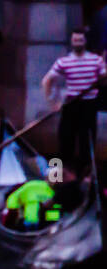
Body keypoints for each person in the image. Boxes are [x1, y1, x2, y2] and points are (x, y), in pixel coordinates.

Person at [42, 29, 107, 178]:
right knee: (64, 142)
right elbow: (47, 81)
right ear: (72, 42)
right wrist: (52, 101)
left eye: (80, 40)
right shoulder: (64, 61)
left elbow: (104, 81)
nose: (78, 43)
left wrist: (104, 72)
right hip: (71, 104)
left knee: (87, 145)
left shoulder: (96, 61)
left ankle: (84, 179)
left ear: (85, 42)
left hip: (89, 105)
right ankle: (55, 178)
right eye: (75, 40)